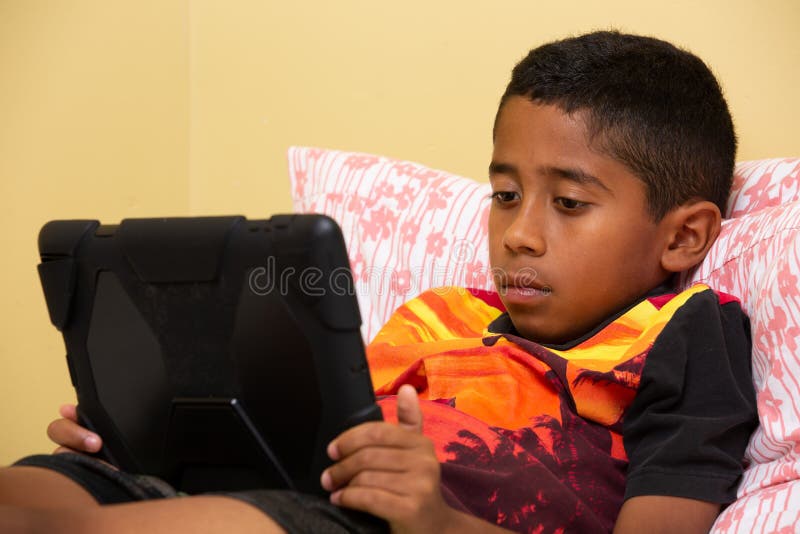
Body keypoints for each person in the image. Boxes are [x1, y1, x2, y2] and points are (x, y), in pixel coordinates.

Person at [0, 30, 758, 533]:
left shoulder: (685, 332)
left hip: (363, 526)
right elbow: (301, 440)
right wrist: (141, 437)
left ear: (683, 237)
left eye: (568, 203)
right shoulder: (437, 316)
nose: (519, 233)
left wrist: (439, 523)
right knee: (30, 495)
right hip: (274, 493)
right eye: (505, 194)